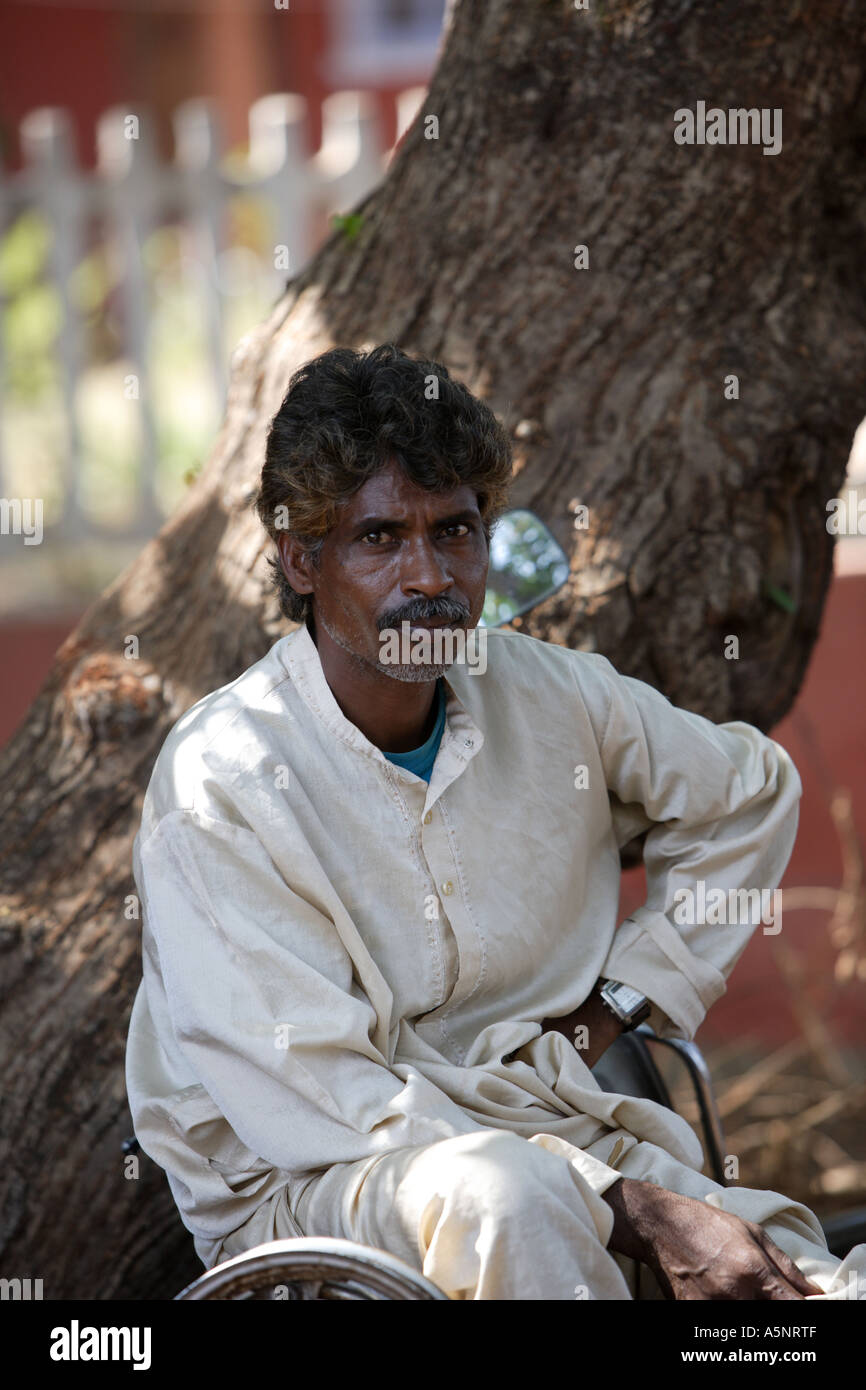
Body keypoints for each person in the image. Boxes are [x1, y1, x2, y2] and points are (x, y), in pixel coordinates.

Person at [125, 343, 865, 1300]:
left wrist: (619, 1006)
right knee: (507, 1201)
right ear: (302, 559)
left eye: (457, 531)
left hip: (553, 1126)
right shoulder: (221, 780)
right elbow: (331, 1104)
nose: (428, 576)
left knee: (801, 1294)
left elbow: (749, 792)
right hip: (319, 1188)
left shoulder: (550, 694)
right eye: (381, 538)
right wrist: (634, 1211)